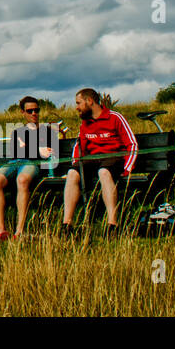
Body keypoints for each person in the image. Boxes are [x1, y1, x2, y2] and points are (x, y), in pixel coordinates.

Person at [61, 88, 137, 238]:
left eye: (78, 103)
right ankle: (67, 225)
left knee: (103, 172)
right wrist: (76, 164)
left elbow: (132, 144)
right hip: (92, 159)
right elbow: (79, 146)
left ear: (90, 101)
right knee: (72, 174)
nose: (77, 107)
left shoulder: (115, 118)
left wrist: (127, 168)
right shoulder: (85, 122)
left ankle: (112, 224)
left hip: (113, 158)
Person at [0, 96, 56, 241]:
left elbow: (48, 154)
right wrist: (37, 149)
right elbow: (16, 152)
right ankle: (1, 229)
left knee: (22, 179)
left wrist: (27, 148)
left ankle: (19, 230)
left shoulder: (48, 131)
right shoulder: (17, 132)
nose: (34, 113)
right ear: (23, 112)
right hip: (15, 162)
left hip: (33, 164)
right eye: (30, 111)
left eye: (36, 110)